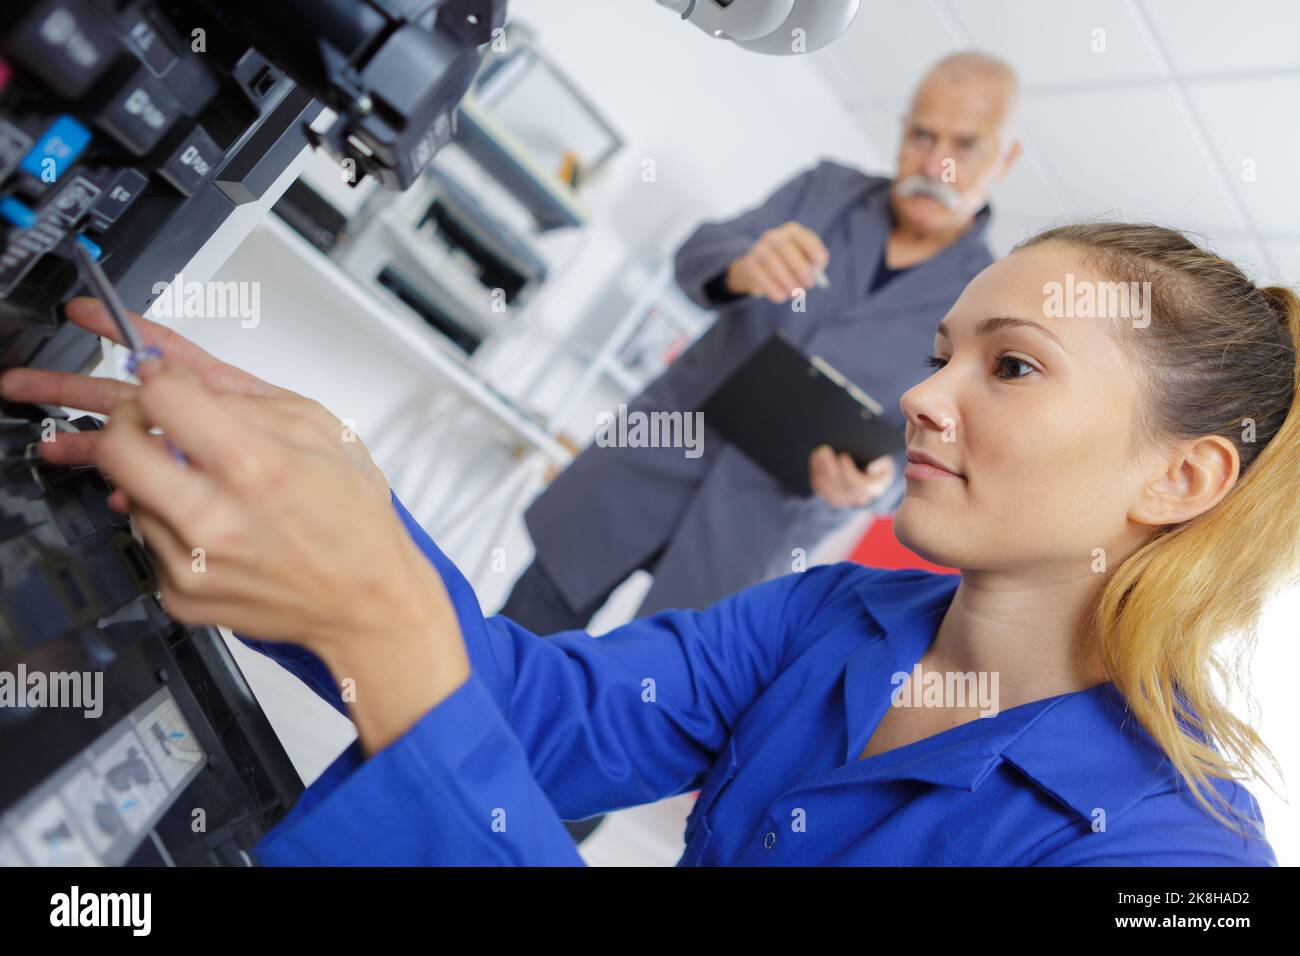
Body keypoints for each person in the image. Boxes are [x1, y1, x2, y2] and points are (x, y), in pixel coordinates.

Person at [6, 218, 1294, 865]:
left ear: (1179, 477)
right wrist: (322, 483)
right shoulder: (829, 618)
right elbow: (534, 710)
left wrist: (386, 633)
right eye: (938, 352)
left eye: (1010, 365)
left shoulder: (1167, 858)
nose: (923, 397)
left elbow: (439, 692)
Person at [500, 51, 1024, 634]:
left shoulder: (988, 301)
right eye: (923, 136)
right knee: (511, 646)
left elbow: (942, 447)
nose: (937, 164)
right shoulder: (825, 190)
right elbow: (696, 255)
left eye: (966, 146)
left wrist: (878, 489)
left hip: (757, 529)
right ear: (901, 130)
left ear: (1006, 159)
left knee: (645, 700)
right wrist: (739, 267)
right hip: (645, 466)